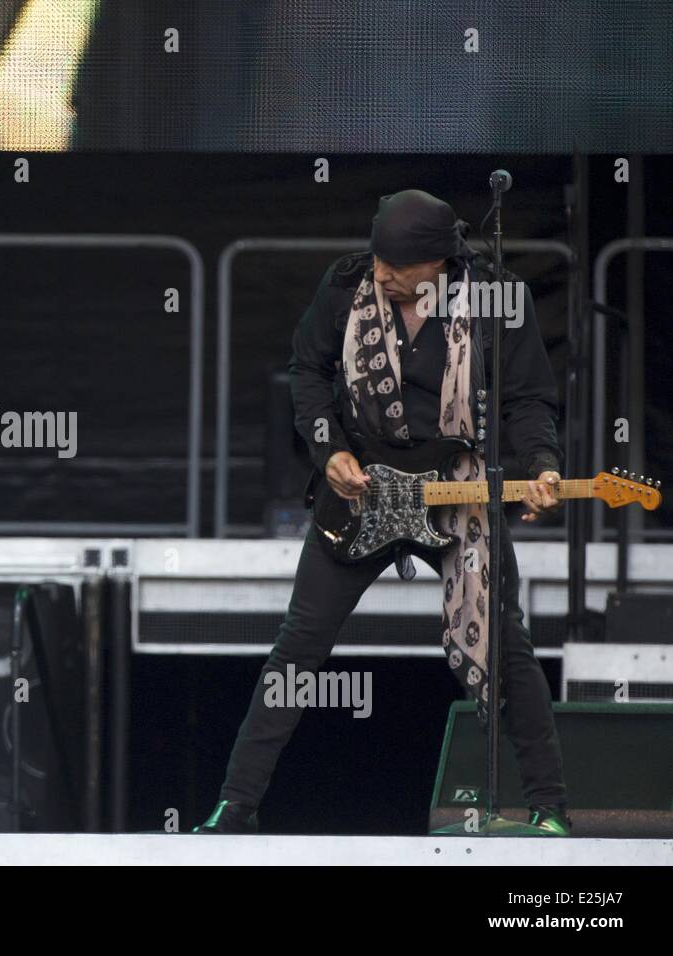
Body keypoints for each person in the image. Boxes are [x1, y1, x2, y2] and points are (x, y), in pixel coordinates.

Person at [195, 189, 571, 836]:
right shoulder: (344, 285)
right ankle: (237, 806)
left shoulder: (493, 297)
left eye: (397, 266)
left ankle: (550, 809)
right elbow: (308, 371)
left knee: (507, 642)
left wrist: (541, 464)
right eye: (378, 260)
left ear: (438, 265)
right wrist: (329, 449)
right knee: (298, 649)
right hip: (362, 490)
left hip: (457, 490)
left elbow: (530, 396)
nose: (382, 274)